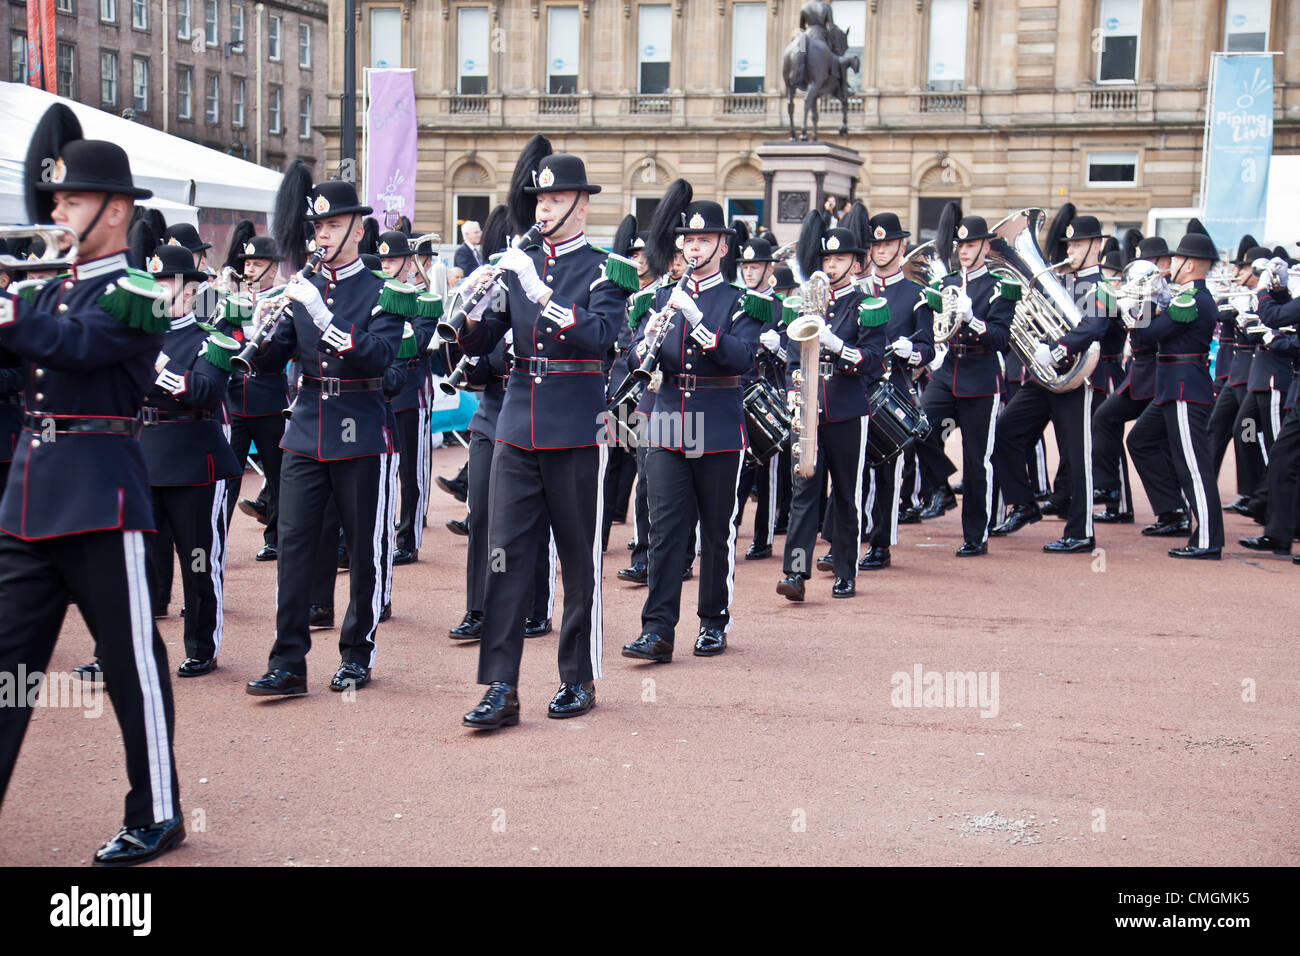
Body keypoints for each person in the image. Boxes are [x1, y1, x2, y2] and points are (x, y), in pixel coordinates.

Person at [0, 104, 184, 865]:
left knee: (131, 664)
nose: (58, 212)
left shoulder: (136, 293)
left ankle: (159, 812)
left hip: (104, 498)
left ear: (116, 209)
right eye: (56, 201)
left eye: (72, 199)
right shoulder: (41, 291)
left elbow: (76, 349)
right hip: (30, 497)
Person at [458, 140, 635, 729]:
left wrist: (537, 292)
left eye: (557, 197)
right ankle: (500, 688)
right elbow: (482, 345)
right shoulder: (518, 262)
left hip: (577, 425)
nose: (543, 208)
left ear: (581, 206)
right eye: (538, 198)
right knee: (504, 558)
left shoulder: (607, 270)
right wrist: (469, 312)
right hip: (516, 422)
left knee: (578, 559)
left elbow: (604, 335)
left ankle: (577, 676)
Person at [244, 165, 409, 696]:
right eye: (318, 228)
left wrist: (322, 315)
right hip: (306, 427)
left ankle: (356, 654)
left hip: (360, 428)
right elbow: (275, 358)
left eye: (334, 225)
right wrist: (258, 332)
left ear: (358, 229)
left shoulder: (384, 291)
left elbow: (381, 359)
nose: (323, 235)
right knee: (293, 547)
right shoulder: (304, 286)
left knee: (363, 548)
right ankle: (288, 661)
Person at [621, 186, 760, 663]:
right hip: (667, 420)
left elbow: (740, 358)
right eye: (689, 241)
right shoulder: (660, 295)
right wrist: (645, 345)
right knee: (665, 529)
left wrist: (698, 320)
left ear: (722, 245)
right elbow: (638, 350)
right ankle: (657, 630)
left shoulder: (743, 301)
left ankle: (713, 621)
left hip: (718, 422)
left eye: (704, 241)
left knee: (716, 530)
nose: (694, 248)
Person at [136, 244, 242, 676]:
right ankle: (125, 652)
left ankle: (202, 645)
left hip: (195, 461)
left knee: (198, 561)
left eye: (167, 283)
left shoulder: (211, 339)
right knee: (136, 564)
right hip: (143, 456)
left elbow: (204, 392)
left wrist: (155, 359)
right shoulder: (133, 336)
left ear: (190, 290)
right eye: (154, 282)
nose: (159, 291)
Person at [776, 217, 887, 601]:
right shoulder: (804, 305)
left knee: (845, 493)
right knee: (803, 491)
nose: (832, 265)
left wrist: (837, 346)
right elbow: (792, 359)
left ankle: (845, 570)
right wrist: (793, 388)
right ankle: (795, 572)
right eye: (828, 258)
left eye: (841, 258)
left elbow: (875, 360)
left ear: (857, 263)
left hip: (846, 409)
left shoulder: (867, 306)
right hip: (808, 409)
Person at [991, 214, 1113, 554]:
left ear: (1096, 246)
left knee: (1076, 456)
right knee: (1005, 433)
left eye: (1078, 244)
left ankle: (1082, 532)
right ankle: (1024, 502)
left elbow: (1095, 327)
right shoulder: (1060, 283)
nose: (1071, 250)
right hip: (1045, 378)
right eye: (1070, 244)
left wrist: (1059, 348)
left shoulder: (1103, 288)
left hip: (1078, 379)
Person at [910, 216, 1015, 556]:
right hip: (948, 370)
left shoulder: (1000, 287)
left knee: (977, 460)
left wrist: (974, 320)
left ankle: (975, 535)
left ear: (985, 246)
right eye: (961, 246)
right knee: (918, 428)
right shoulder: (948, 283)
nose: (965, 251)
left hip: (981, 376)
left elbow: (1001, 339)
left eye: (971, 245)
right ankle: (940, 486)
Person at [1125, 232, 1225, 559]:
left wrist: (1139, 305)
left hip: (1184, 388)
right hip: (1172, 387)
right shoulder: (1182, 297)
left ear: (1191, 263)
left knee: (1193, 466)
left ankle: (1208, 539)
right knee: (1140, 440)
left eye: (1178, 260)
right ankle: (1172, 510)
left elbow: (1149, 336)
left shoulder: (1192, 300)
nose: (1172, 267)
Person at [858, 212, 935, 570]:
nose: (881, 250)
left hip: (894, 389)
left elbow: (929, 347)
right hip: (856, 386)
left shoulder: (917, 295)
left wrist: (914, 351)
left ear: (902, 246)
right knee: (850, 468)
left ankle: (880, 543)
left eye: (888, 243)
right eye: (876, 244)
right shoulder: (856, 290)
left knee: (888, 471)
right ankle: (848, 534)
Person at [219, 233, 289, 560]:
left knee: (276, 474)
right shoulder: (233, 299)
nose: (249, 269)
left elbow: (281, 351)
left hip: (267, 398)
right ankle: (215, 540)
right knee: (226, 475)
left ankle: (275, 537)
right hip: (235, 399)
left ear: (273, 269)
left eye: (257, 264)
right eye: (247, 263)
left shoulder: (283, 299)